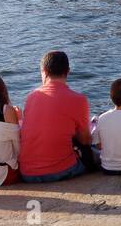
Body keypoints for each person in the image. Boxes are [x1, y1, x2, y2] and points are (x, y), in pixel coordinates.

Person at [19, 51, 92, 183]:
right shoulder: (78, 99)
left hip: (27, 173)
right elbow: (85, 140)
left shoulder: (31, 97)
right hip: (60, 171)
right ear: (68, 71)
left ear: (44, 72)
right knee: (94, 153)